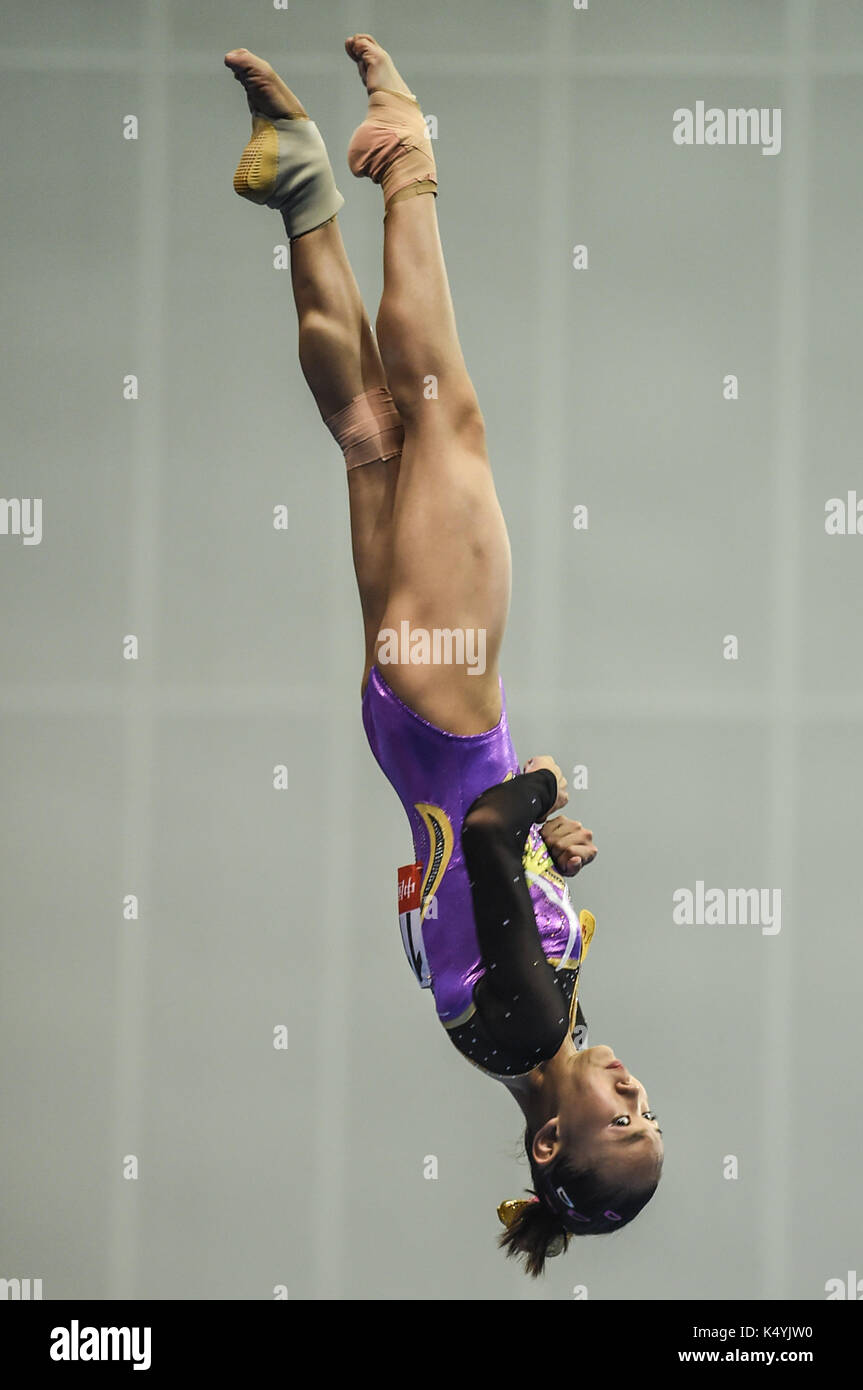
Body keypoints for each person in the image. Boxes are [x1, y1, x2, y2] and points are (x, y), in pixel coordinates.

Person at [225, 34, 663, 1277]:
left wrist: (545, 799)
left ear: (548, 1148)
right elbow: (433, 899)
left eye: (618, 1125)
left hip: (452, 704)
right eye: (649, 1113)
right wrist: (531, 841)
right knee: (368, 432)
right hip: (405, 723)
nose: (635, 1095)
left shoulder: (529, 1020)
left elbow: (476, 841)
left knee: (439, 413)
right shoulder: (495, 1032)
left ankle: (400, 159)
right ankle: (301, 180)